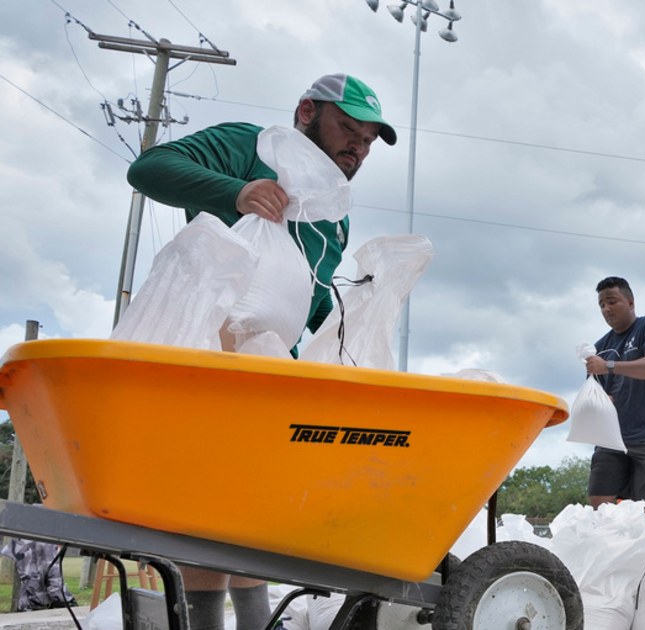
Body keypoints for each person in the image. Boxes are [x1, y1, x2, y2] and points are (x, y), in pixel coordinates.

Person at [126, 73, 396, 630]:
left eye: (368, 140)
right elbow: (148, 169)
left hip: (272, 374)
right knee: (201, 514)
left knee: (248, 515)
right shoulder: (246, 145)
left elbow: (313, 299)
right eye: (348, 128)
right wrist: (236, 192)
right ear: (305, 112)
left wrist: (355, 327)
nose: (357, 146)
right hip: (205, 357)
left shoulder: (333, 214)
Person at [583, 276, 645, 515]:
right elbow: (595, 393)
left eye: (612, 301)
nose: (606, 308)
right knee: (599, 507)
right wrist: (599, 401)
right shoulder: (600, 347)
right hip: (611, 437)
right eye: (602, 304)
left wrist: (610, 366)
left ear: (630, 302)